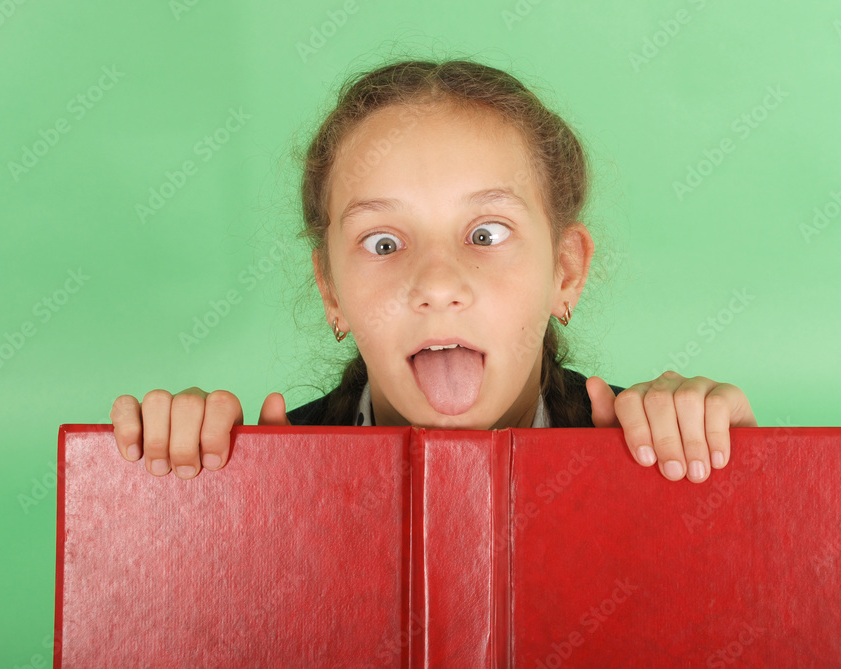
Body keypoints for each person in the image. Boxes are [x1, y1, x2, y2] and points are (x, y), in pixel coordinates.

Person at [110, 58, 756, 484]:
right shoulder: (248, 468)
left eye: (486, 233)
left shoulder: (647, 454)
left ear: (564, 271)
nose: (437, 284)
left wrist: (738, 476)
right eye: (385, 243)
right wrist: (190, 496)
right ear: (331, 291)